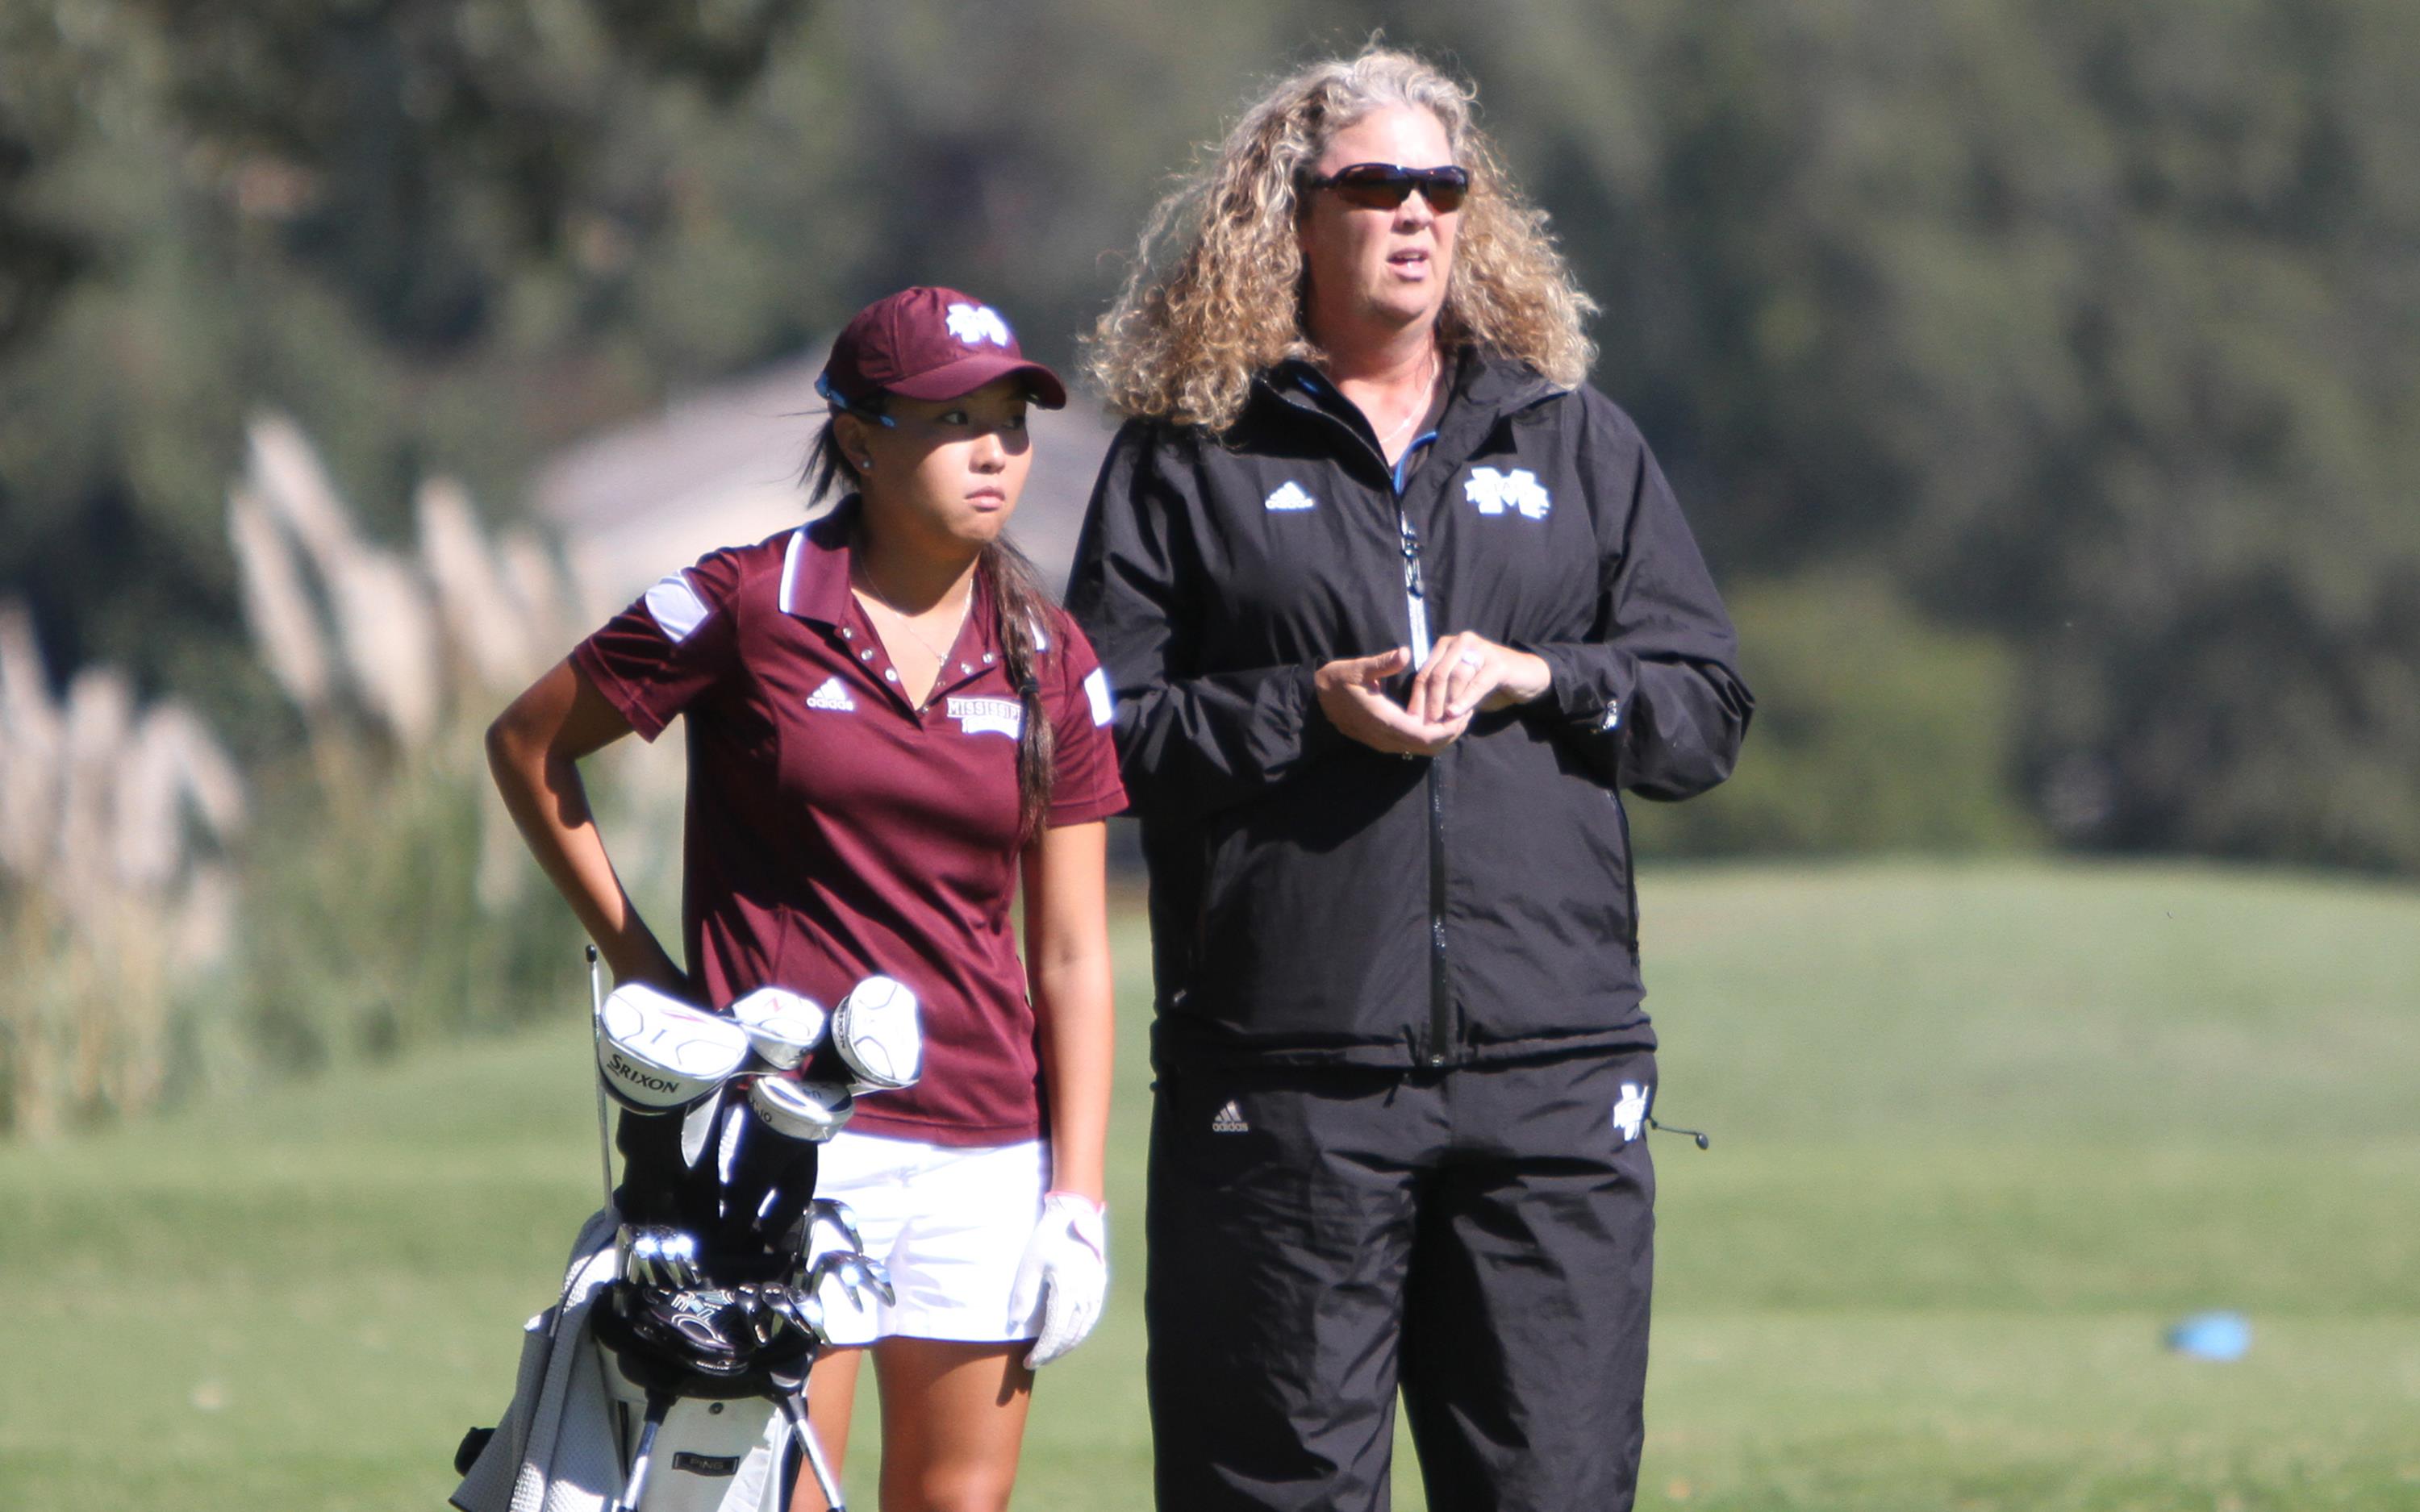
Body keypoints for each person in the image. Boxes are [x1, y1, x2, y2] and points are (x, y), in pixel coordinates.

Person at [1067, 46, 1752, 1512]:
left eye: (1440, 186)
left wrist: (1547, 677)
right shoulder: (1189, 458)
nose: (1413, 215)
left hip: (1552, 1094)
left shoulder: (1575, 440)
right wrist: (1297, 711)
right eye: (1372, 186)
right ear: (1287, 215)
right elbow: (1091, 740)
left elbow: (1702, 716)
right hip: (1284, 1092)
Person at [486, 285, 1126, 1512]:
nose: (996, 451)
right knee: (778, 1496)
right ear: (862, 436)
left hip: (986, 1149)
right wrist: (650, 976)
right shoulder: (748, 603)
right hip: (783, 1141)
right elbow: (529, 747)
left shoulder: (1053, 653)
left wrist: (1077, 1198)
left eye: (1012, 420)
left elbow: (1071, 955)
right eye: (955, 420)